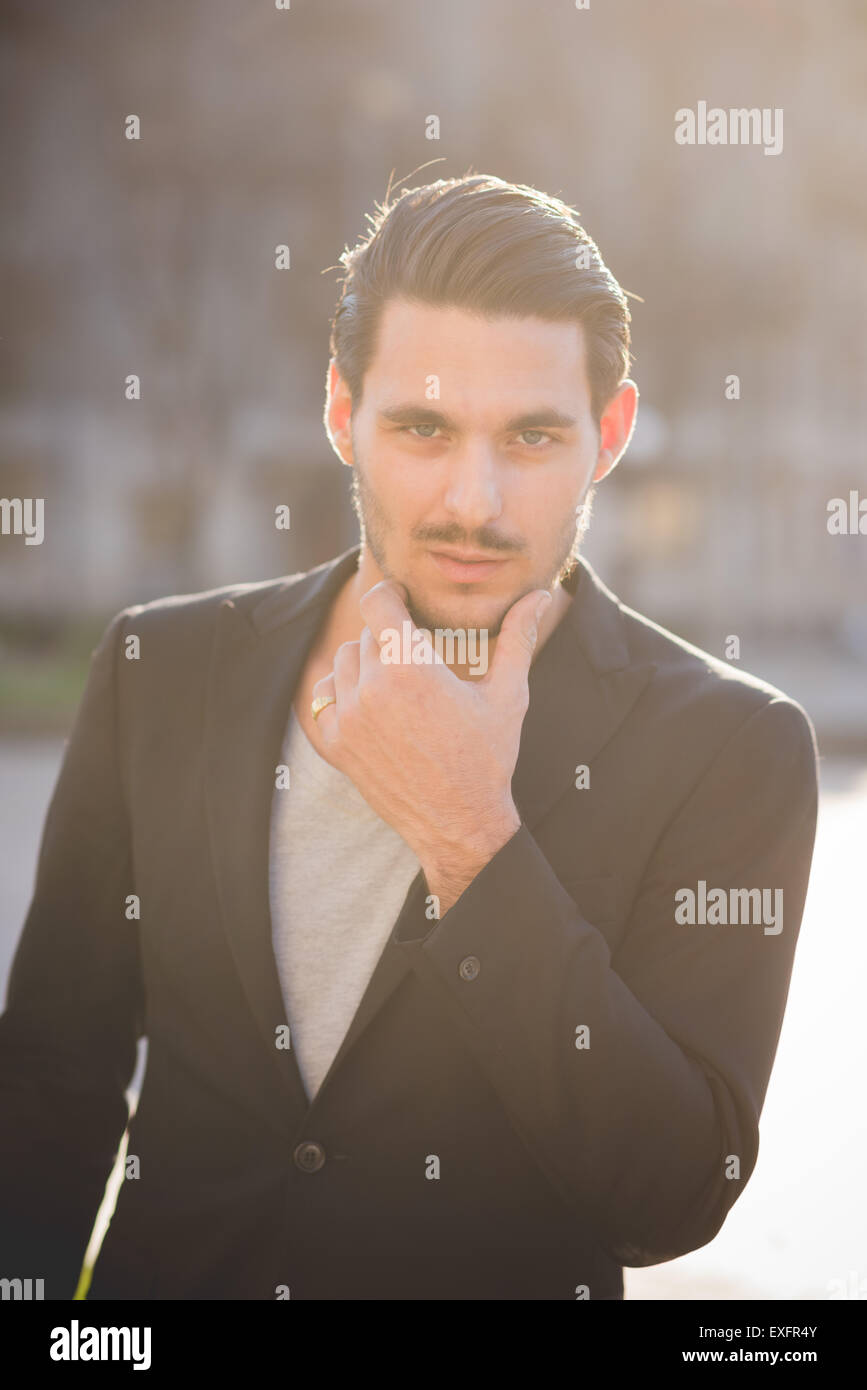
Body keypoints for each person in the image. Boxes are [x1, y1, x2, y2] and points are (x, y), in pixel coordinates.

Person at [0, 175, 818, 1301]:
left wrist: (472, 837)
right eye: (422, 427)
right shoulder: (161, 670)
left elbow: (674, 1193)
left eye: (532, 435)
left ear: (610, 433)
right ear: (342, 413)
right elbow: (50, 1085)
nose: (471, 501)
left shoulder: (734, 747)